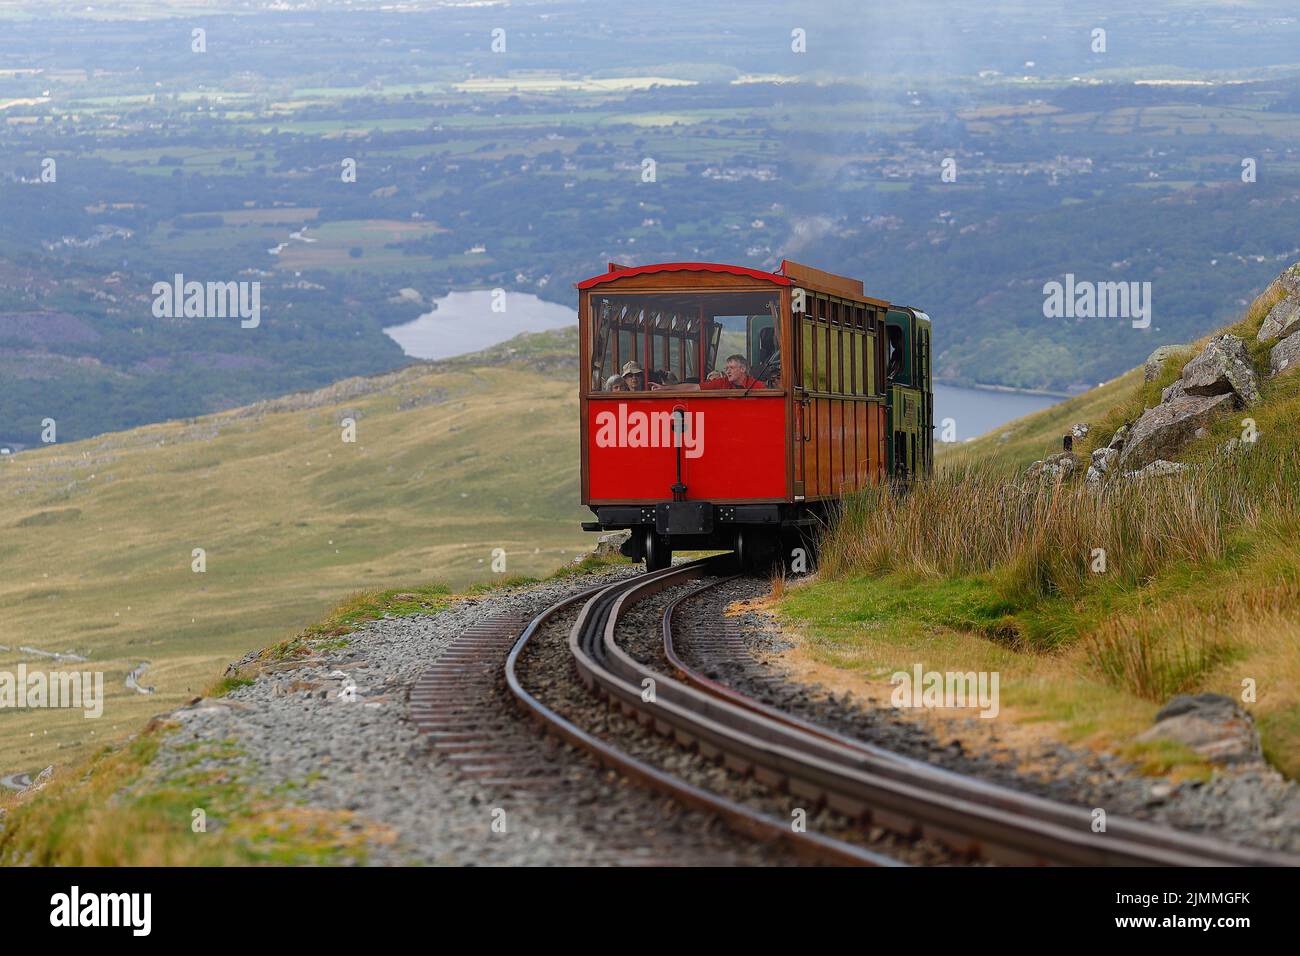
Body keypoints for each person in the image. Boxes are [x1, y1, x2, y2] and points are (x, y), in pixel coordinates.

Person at [655, 354, 765, 391]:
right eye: (726, 368)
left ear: (743, 369)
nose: (727, 371)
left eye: (731, 368)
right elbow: (694, 388)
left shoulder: (758, 386)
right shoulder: (722, 382)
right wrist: (664, 388)